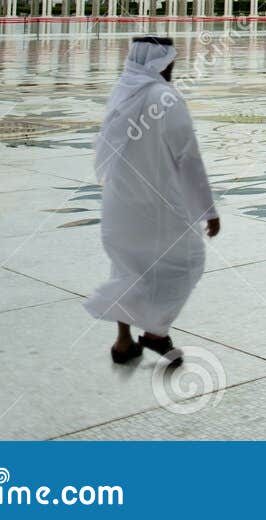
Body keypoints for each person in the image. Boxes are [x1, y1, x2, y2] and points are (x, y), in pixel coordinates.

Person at [83, 36, 219, 367]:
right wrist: (207, 208)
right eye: (170, 61)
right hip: (158, 202)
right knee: (187, 262)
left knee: (128, 269)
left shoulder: (122, 91)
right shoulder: (165, 96)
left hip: (119, 201)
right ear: (161, 62)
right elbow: (187, 158)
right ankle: (156, 333)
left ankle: (123, 341)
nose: (172, 67)